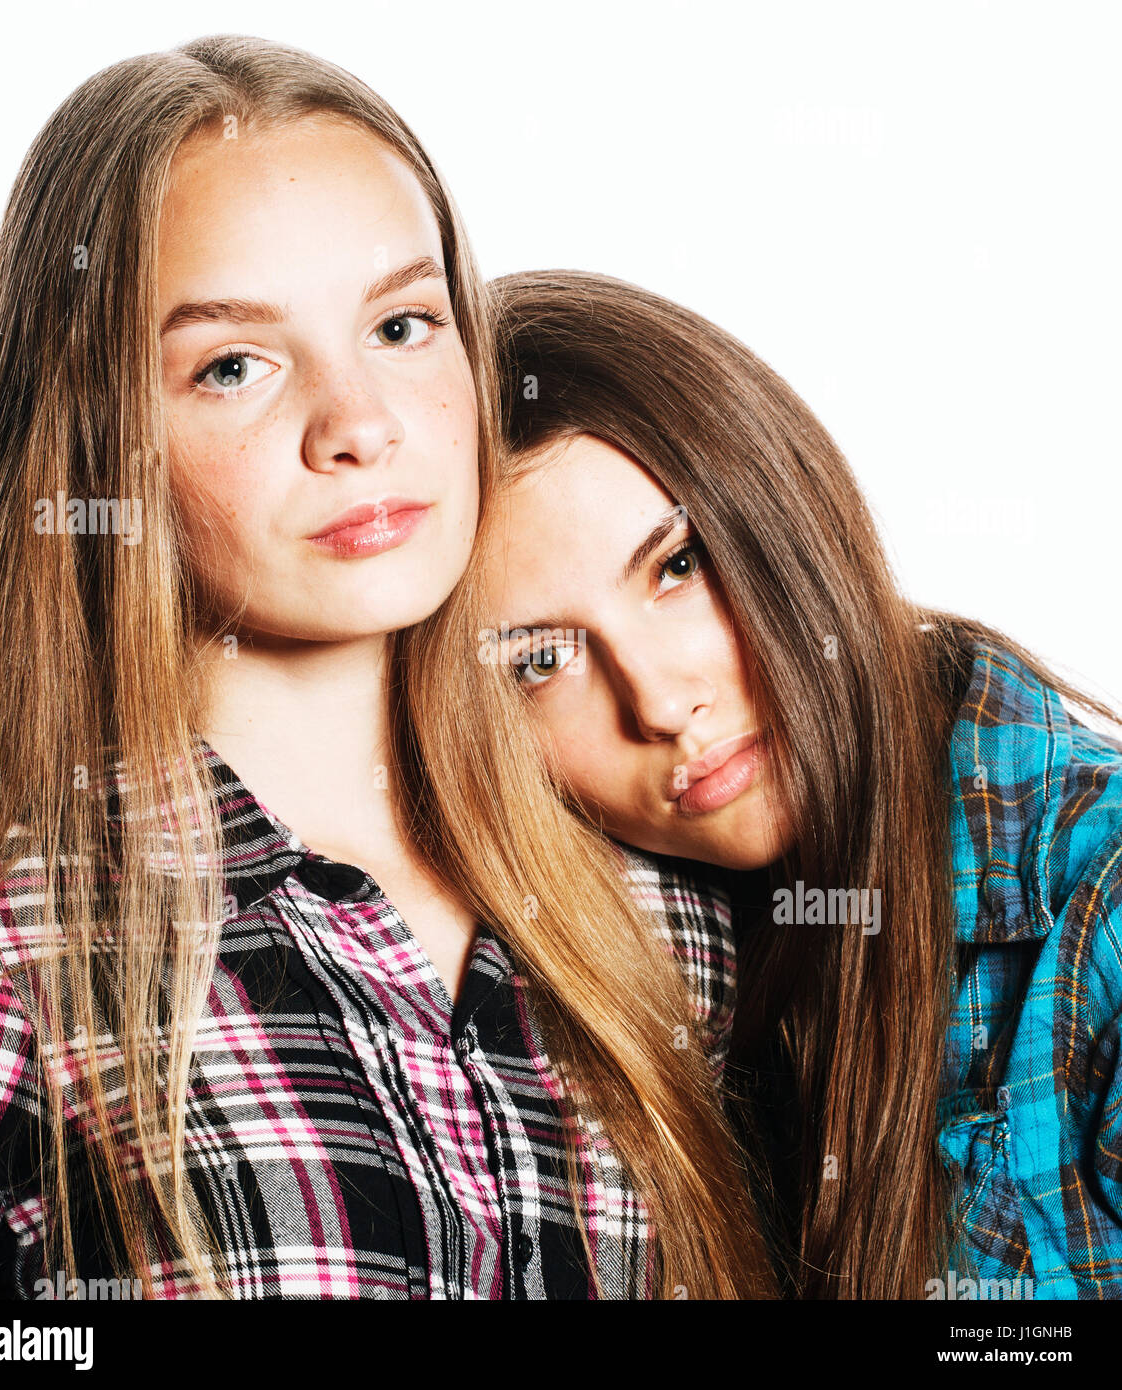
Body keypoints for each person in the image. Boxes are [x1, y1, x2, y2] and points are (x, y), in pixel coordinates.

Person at [0, 42, 774, 1300]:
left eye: (400, 325)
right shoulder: (6, 939)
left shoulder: (659, 909)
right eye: (234, 364)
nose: (359, 424)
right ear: (101, 436)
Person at [433, 266, 1122, 1298]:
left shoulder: (1099, 908)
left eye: (677, 565)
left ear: (779, 498)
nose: (660, 702)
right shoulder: (619, 954)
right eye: (537, 662)